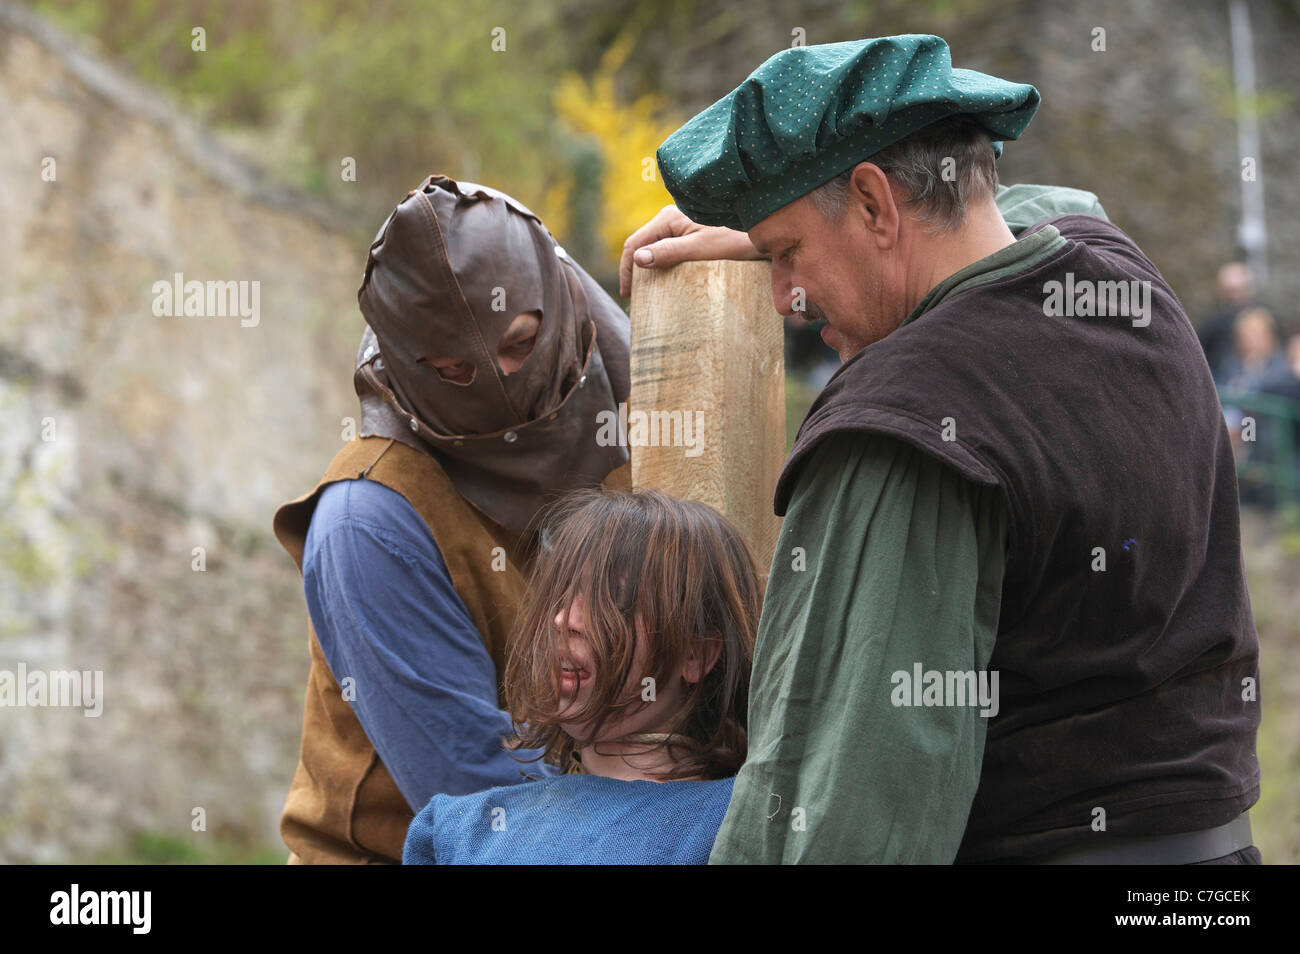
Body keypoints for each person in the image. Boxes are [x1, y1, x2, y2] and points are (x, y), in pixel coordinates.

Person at [623, 34, 1261, 864]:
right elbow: (1033, 209)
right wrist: (771, 230)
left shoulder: (905, 423)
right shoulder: (1115, 279)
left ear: (876, 204)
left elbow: (843, 810)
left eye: (786, 255)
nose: (782, 296)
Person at [273, 175, 635, 863]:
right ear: (407, 369)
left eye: (522, 344)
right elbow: (489, 803)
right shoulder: (369, 521)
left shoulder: (626, 394)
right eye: (454, 369)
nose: (505, 386)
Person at [402, 487, 760, 864]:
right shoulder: (456, 832)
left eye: (614, 601)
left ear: (697, 653)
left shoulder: (744, 827)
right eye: (560, 595)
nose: (563, 621)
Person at [1198, 262, 1257, 380]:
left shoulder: (1263, 317)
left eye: (1238, 290)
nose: (1234, 296)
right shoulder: (1213, 322)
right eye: (1230, 291)